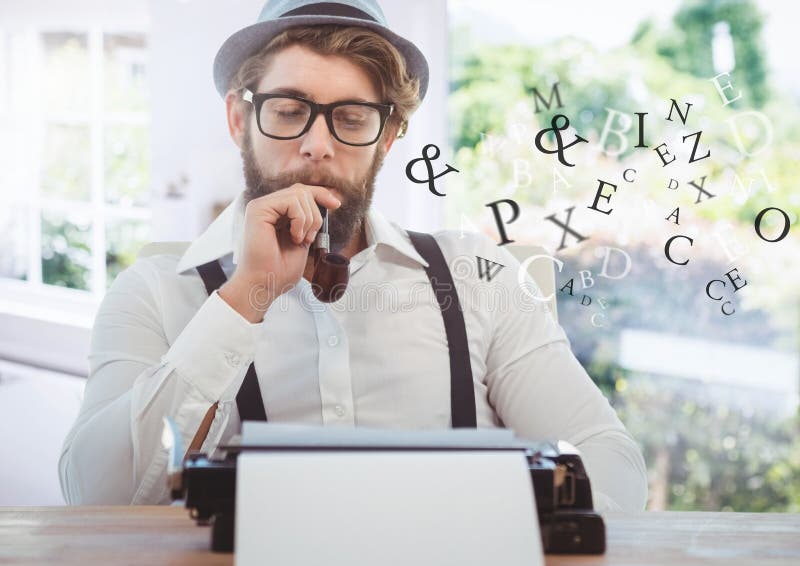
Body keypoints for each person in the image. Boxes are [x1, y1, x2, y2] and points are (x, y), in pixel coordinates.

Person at [59, 0, 647, 510]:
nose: (318, 144)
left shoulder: (481, 277)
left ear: (388, 136)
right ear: (240, 120)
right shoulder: (153, 292)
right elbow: (95, 497)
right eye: (288, 111)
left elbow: (613, 470)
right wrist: (243, 301)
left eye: (351, 118)